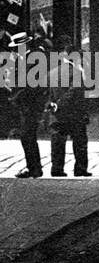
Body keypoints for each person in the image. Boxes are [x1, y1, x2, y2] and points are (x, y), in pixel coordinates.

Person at [49, 39, 90, 177]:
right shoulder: (77, 73)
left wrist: (53, 105)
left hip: (57, 115)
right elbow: (74, 92)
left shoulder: (52, 72)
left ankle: (57, 169)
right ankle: (80, 169)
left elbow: (46, 93)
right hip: (74, 114)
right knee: (79, 142)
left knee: (57, 143)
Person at [13, 34, 50, 178]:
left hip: (32, 104)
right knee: (27, 136)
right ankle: (34, 167)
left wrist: (18, 95)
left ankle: (34, 168)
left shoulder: (33, 59)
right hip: (27, 104)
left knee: (27, 136)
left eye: (17, 48)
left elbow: (33, 84)